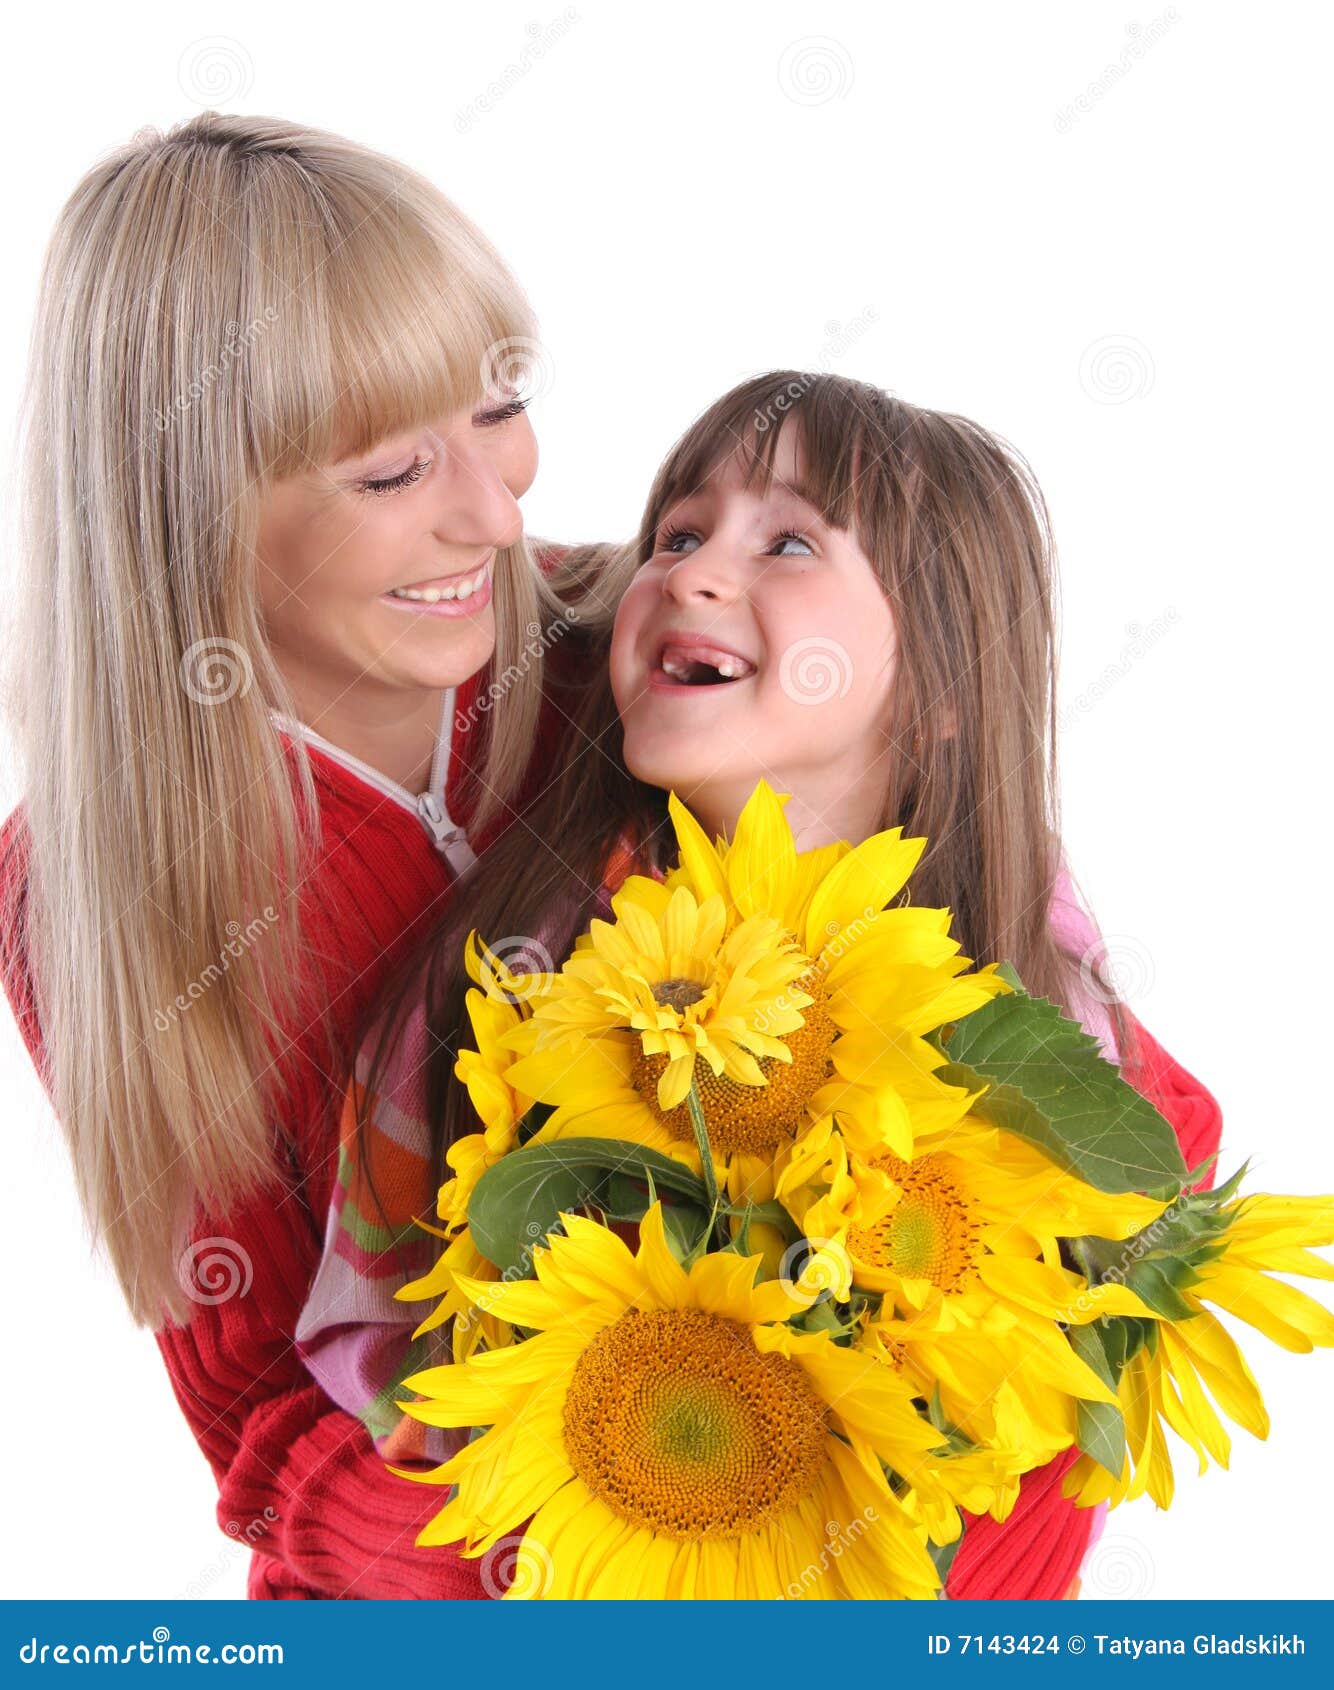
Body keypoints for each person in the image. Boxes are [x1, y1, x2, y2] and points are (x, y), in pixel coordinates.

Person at [295, 371, 1224, 1599]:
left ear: (941, 688)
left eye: (786, 540)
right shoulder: (519, 965)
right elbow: (384, 1362)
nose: (688, 570)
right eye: (675, 533)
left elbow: (1098, 1275)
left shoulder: (1010, 974)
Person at [0, 111, 594, 1599]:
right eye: (391, 472)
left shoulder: (650, 648)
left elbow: (1107, 1115)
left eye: (500, 408)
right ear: (189, 513)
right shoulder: (90, 884)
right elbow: (271, 1439)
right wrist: (653, 1540)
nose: (494, 505)